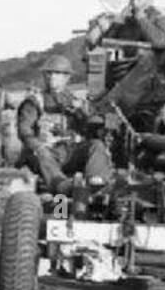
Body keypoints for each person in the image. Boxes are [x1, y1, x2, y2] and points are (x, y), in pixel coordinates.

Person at [16, 54, 114, 191]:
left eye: (57, 74)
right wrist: (37, 145)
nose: (51, 77)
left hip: (70, 151)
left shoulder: (75, 100)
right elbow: (24, 130)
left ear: (67, 78)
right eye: (48, 73)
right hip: (47, 152)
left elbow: (88, 128)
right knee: (41, 153)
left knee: (96, 145)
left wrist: (84, 114)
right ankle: (61, 185)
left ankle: (95, 182)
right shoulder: (35, 102)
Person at [86, 0, 165, 52]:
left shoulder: (159, 17)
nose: (134, 2)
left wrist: (141, 18)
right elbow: (106, 43)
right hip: (125, 68)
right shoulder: (126, 19)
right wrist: (117, 23)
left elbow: (163, 43)